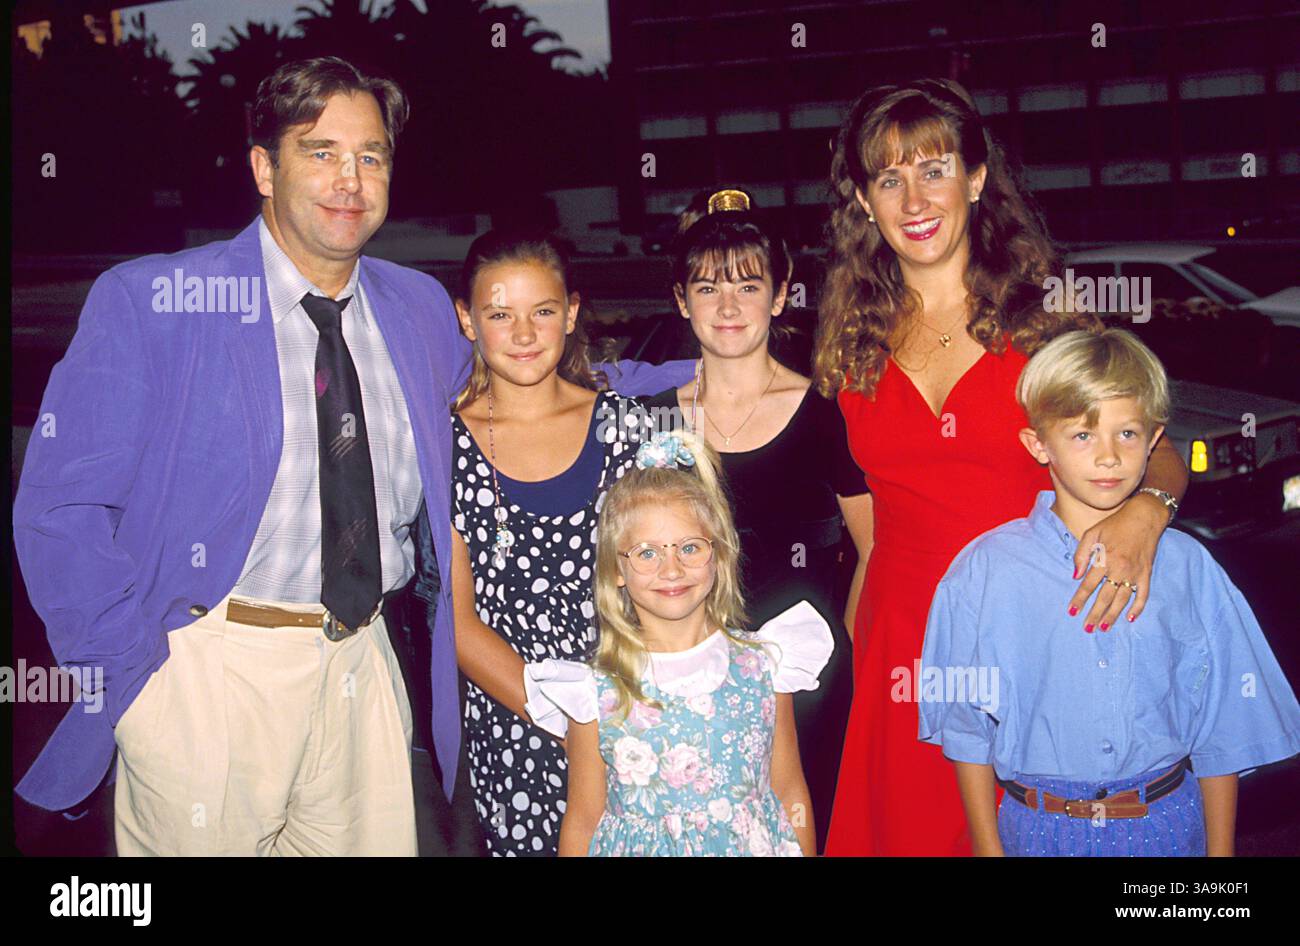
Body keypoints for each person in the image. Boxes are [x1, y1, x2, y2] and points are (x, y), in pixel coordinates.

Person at [13, 57, 468, 854]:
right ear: (264, 167)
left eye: (371, 155)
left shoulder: (418, 308)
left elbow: (526, 385)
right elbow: (60, 506)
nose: (349, 179)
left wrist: (716, 375)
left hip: (362, 665)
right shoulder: (155, 303)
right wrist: (134, 682)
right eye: (319, 151)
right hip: (209, 678)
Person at [816, 78, 1191, 856]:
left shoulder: (1047, 320)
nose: (914, 198)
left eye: (934, 168)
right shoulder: (850, 337)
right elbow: (872, 531)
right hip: (903, 652)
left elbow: (1154, 445)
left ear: (976, 178)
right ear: (864, 199)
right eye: (888, 178)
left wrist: (1145, 515)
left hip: (1038, 633)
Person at [919, 328, 1300, 856]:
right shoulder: (983, 572)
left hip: (1165, 827)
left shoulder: (1190, 568)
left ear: (1153, 438)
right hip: (1037, 829)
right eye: (1082, 435)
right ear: (1038, 444)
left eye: (1127, 434)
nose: (1108, 457)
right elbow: (966, 732)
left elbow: (1223, 731)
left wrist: (1219, 858)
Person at [416, 229, 689, 856]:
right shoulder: (444, 447)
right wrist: (566, 722)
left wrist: (621, 720)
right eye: (498, 314)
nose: (523, 333)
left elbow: (673, 580)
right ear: (466, 320)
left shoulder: (628, 428)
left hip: (637, 712)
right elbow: (457, 623)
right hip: (517, 726)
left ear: (570, 312)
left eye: (542, 311)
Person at [642, 187, 872, 852]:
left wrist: (844, 663)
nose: (729, 306)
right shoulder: (653, 417)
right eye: (708, 287)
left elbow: (874, 548)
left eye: (748, 285)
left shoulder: (828, 412)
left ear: (779, 294)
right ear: (682, 300)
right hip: (688, 686)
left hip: (807, 689)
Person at [522, 429, 832, 856]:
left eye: (690, 548)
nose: (672, 570)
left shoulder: (765, 664)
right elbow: (583, 820)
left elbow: (789, 789)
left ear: (719, 555)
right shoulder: (592, 693)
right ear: (616, 569)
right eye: (647, 553)